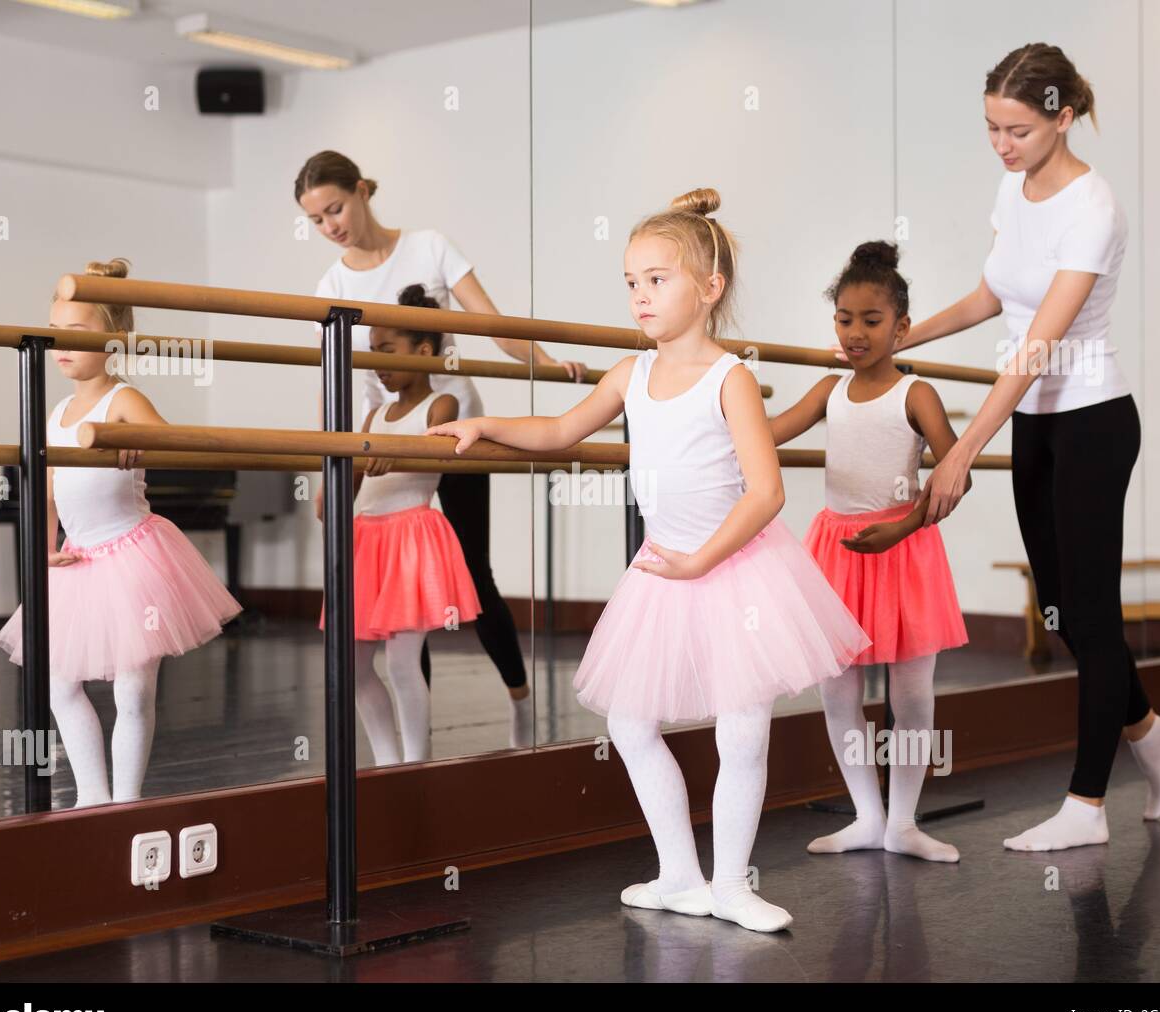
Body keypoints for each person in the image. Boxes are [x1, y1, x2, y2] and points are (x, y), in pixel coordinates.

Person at [427, 188, 870, 932]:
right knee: (631, 725)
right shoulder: (630, 375)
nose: (639, 295)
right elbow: (562, 429)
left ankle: (733, 883)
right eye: (631, 281)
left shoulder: (729, 377)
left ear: (709, 288)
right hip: (664, 572)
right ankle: (679, 872)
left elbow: (764, 493)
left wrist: (702, 561)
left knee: (741, 729)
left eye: (657, 279)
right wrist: (485, 425)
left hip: (734, 567)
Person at [894, 44, 1160, 851]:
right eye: (991, 126)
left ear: (1062, 116)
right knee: (1064, 614)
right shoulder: (1010, 188)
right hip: (1035, 425)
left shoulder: (1095, 209)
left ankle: (1087, 806)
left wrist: (959, 451)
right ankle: (1150, 731)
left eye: (1017, 128)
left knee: (1092, 614)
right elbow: (997, 293)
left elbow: (1035, 351)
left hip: (1091, 419)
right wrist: (912, 332)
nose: (1002, 143)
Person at [297, 149, 581, 747]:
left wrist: (549, 363)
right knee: (402, 604)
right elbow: (340, 383)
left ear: (362, 190)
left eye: (335, 208)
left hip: (456, 426)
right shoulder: (334, 282)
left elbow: (493, 324)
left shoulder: (428, 245)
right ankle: (409, 748)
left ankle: (519, 699)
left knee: (475, 572)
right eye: (317, 219)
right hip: (389, 429)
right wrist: (338, 459)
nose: (330, 227)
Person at [0, 258, 242, 807]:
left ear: (115, 340)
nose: (61, 344)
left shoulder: (123, 399)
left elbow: (177, 444)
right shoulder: (53, 412)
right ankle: (92, 795)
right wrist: (44, 544)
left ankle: (127, 799)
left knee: (133, 688)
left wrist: (143, 444)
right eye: (55, 331)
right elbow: (49, 491)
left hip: (134, 557)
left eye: (77, 334)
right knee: (61, 685)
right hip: (78, 562)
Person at [774, 241, 969, 864]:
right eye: (844, 320)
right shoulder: (829, 390)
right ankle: (866, 814)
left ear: (901, 328)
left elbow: (955, 475)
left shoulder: (916, 395)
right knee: (838, 691)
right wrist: (716, 395)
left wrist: (905, 526)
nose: (855, 333)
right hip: (838, 548)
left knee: (911, 694)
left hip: (903, 549)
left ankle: (904, 822)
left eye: (872, 321)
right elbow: (768, 431)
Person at [316, 284, 482, 764]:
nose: (377, 363)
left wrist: (396, 455)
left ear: (425, 351)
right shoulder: (374, 414)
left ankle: (416, 760)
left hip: (411, 536)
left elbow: (433, 452)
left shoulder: (442, 405)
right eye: (372, 353)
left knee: (403, 660)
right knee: (351, 663)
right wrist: (333, 483)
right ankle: (389, 761)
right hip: (366, 539)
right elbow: (346, 492)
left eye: (387, 350)